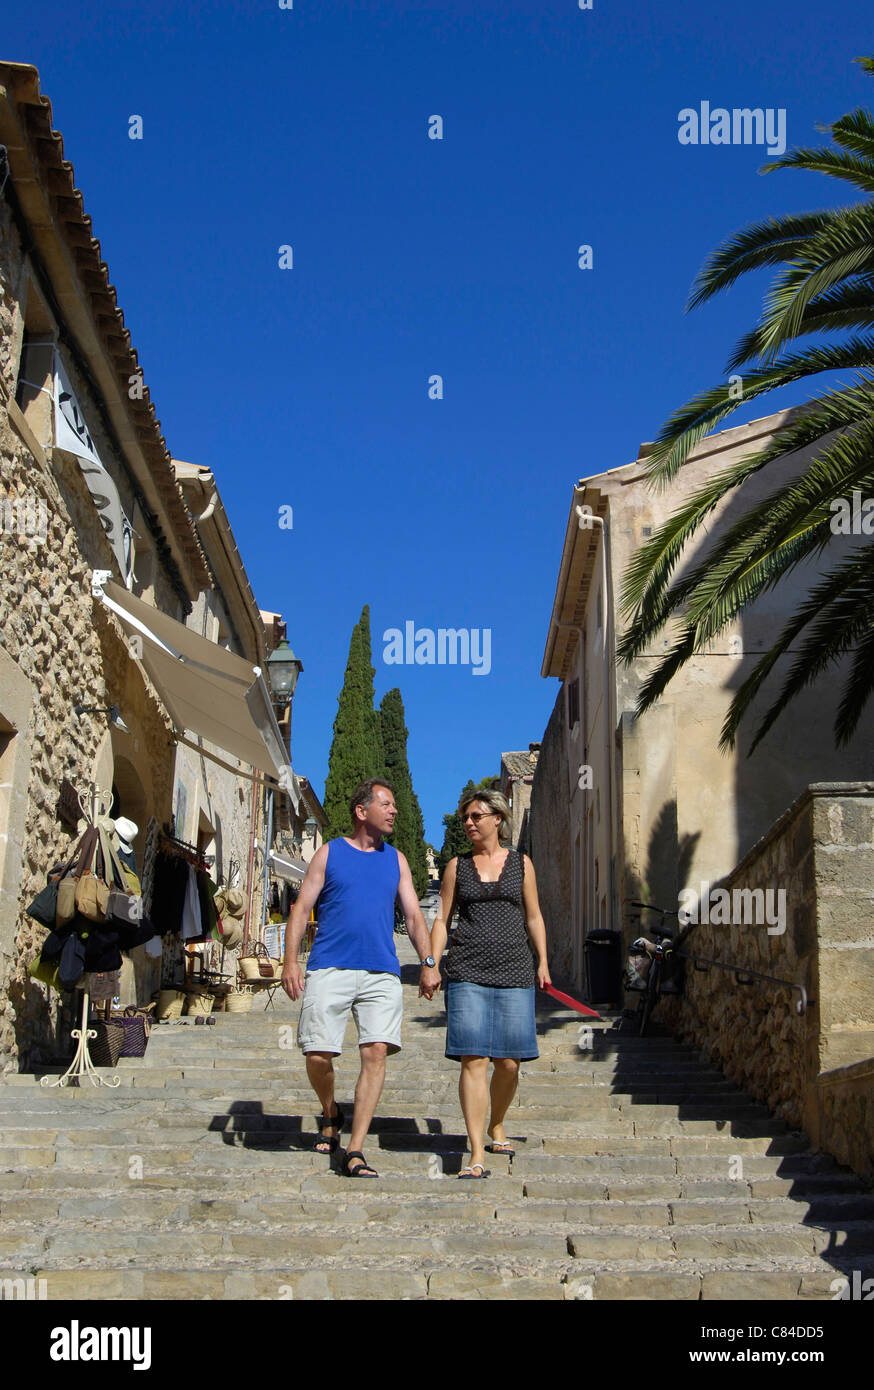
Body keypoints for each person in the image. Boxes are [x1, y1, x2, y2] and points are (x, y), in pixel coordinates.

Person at [282, 778, 441, 1177]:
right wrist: (289, 961)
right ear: (361, 811)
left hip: (381, 973)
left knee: (375, 1054)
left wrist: (428, 961)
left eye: (394, 805)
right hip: (329, 967)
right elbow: (301, 909)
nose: (394, 811)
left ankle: (355, 1149)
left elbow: (413, 915)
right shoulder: (329, 853)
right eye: (386, 804)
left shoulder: (397, 860)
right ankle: (331, 1110)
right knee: (318, 1054)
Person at [429, 789, 550, 1178]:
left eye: (476, 816)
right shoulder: (455, 867)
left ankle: (497, 1121)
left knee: (510, 1064)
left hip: (515, 971)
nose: (469, 823)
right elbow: (441, 920)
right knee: (474, 1059)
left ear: (498, 818)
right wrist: (432, 964)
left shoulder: (521, 864)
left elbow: (533, 916)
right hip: (467, 972)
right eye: (465, 817)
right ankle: (476, 1150)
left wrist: (543, 961)